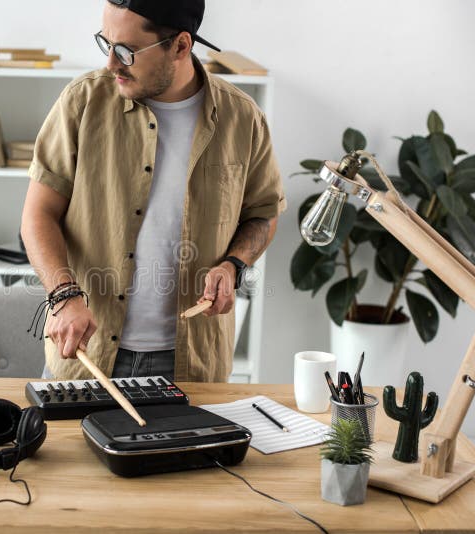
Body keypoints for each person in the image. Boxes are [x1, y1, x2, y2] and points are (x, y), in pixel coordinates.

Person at [20, 0, 285, 382]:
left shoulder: (242, 119)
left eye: (126, 50)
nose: (111, 63)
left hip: (191, 363)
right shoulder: (82, 102)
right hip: (86, 356)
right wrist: (63, 295)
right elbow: (36, 215)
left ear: (180, 46)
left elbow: (264, 213)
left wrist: (234, 265)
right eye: (105, 43)